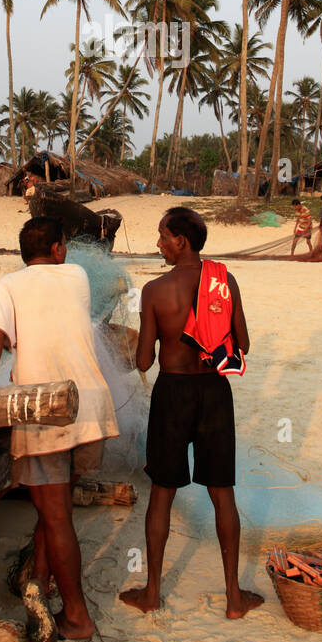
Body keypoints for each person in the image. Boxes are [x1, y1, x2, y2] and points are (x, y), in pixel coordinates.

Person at [0, 215, 119, 641]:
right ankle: (39, 574)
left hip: (46, 412)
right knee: (53, 507)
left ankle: (77, 617)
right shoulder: (77, 276)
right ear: (59, 250)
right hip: (90, 407)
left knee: (55, 515)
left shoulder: (8, 285)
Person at [119, 207, 263, 621]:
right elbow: (244, 345)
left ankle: (152, 594)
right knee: (222, 492)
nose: (158, 244)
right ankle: (234, 599)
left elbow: (145, 361)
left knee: (162, 491)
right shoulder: (225, 282)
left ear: (181, 241)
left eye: (162, 236)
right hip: (215, 391)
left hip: (173, 393)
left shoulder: (155, 291)